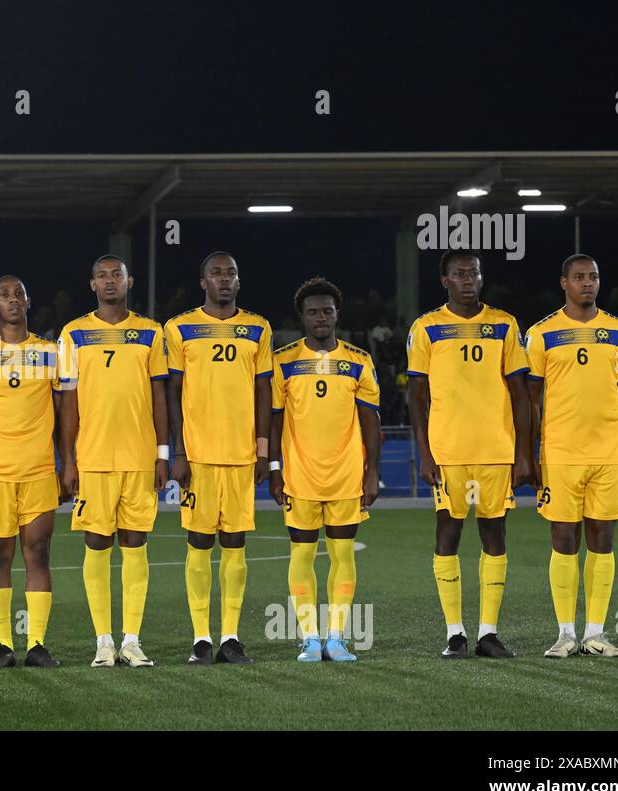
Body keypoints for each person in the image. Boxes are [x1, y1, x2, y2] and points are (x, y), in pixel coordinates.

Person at [407, 250, 533, 659]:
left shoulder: (504, 324)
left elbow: (521, 394)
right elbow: (417, 394)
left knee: (494, 534)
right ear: (444, 280)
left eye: (474, 272)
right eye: (459, 273)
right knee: (448, 532)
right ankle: (455, 633)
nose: (468, 279)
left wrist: (523, 453)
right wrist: (424, 452)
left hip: (496, 449)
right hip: (449, 451)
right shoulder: (427, 327)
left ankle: (488, 633)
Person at [58, 255, 170, 668]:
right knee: (97, 543)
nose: (109, 282)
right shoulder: (73, 334)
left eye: (116, 275)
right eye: (102, 276)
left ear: (129, 281)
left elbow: (160, 395)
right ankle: (103, 641)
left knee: (135, 544)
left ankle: (132, 640)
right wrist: (67, 460)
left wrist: (162, 452)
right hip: (93, 459)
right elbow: (67, 402)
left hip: (140, 458)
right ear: (92, 284)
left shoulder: (150, 332)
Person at [526, 253, 618, 658]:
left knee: (603, 539)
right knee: (563, 538)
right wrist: (531, 453)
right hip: (560, 453)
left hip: (607, 453)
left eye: (593, 277)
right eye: (579, 277)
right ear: (564, 283)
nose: (587, 283)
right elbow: (531, 400)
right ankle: (564, 634)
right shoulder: (542, 333)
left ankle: (595, 633)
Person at [165, 251, 272, 665]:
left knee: (235, 543)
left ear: (239, 282)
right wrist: (177, 450)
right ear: (203, 282)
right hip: (198, 456)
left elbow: (265, 391)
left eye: (231, 272)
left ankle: (230, 637)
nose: (224, 279)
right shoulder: (180, 328)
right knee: (198, 542)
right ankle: (200, 639)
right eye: (216, 273)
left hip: (242, 455)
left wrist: (263, 450)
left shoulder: (257, 328)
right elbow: (173, 392)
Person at [269, 277, 381, 662]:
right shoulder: (283, 361)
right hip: (299, 477)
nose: (321, 317)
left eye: (327, 311)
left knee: (342, 555)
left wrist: (371, 472)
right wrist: (274, 468)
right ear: (301, 316)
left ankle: (336, 637)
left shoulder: (359, 360)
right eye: (313, 311)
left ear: (337, 315)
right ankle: (309, 638)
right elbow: (274, 421)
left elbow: (371, 423)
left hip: (347, 477)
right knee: (301, 555)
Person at [0, 275, 62, 669]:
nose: (13, 299)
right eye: (4, 295)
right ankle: (3, 644)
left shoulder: (50, 352)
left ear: (28, 300)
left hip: (38, 469)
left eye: (19, 293)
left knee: (38, 553)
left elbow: (66, 408)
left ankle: (37, 643)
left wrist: (66, 461)